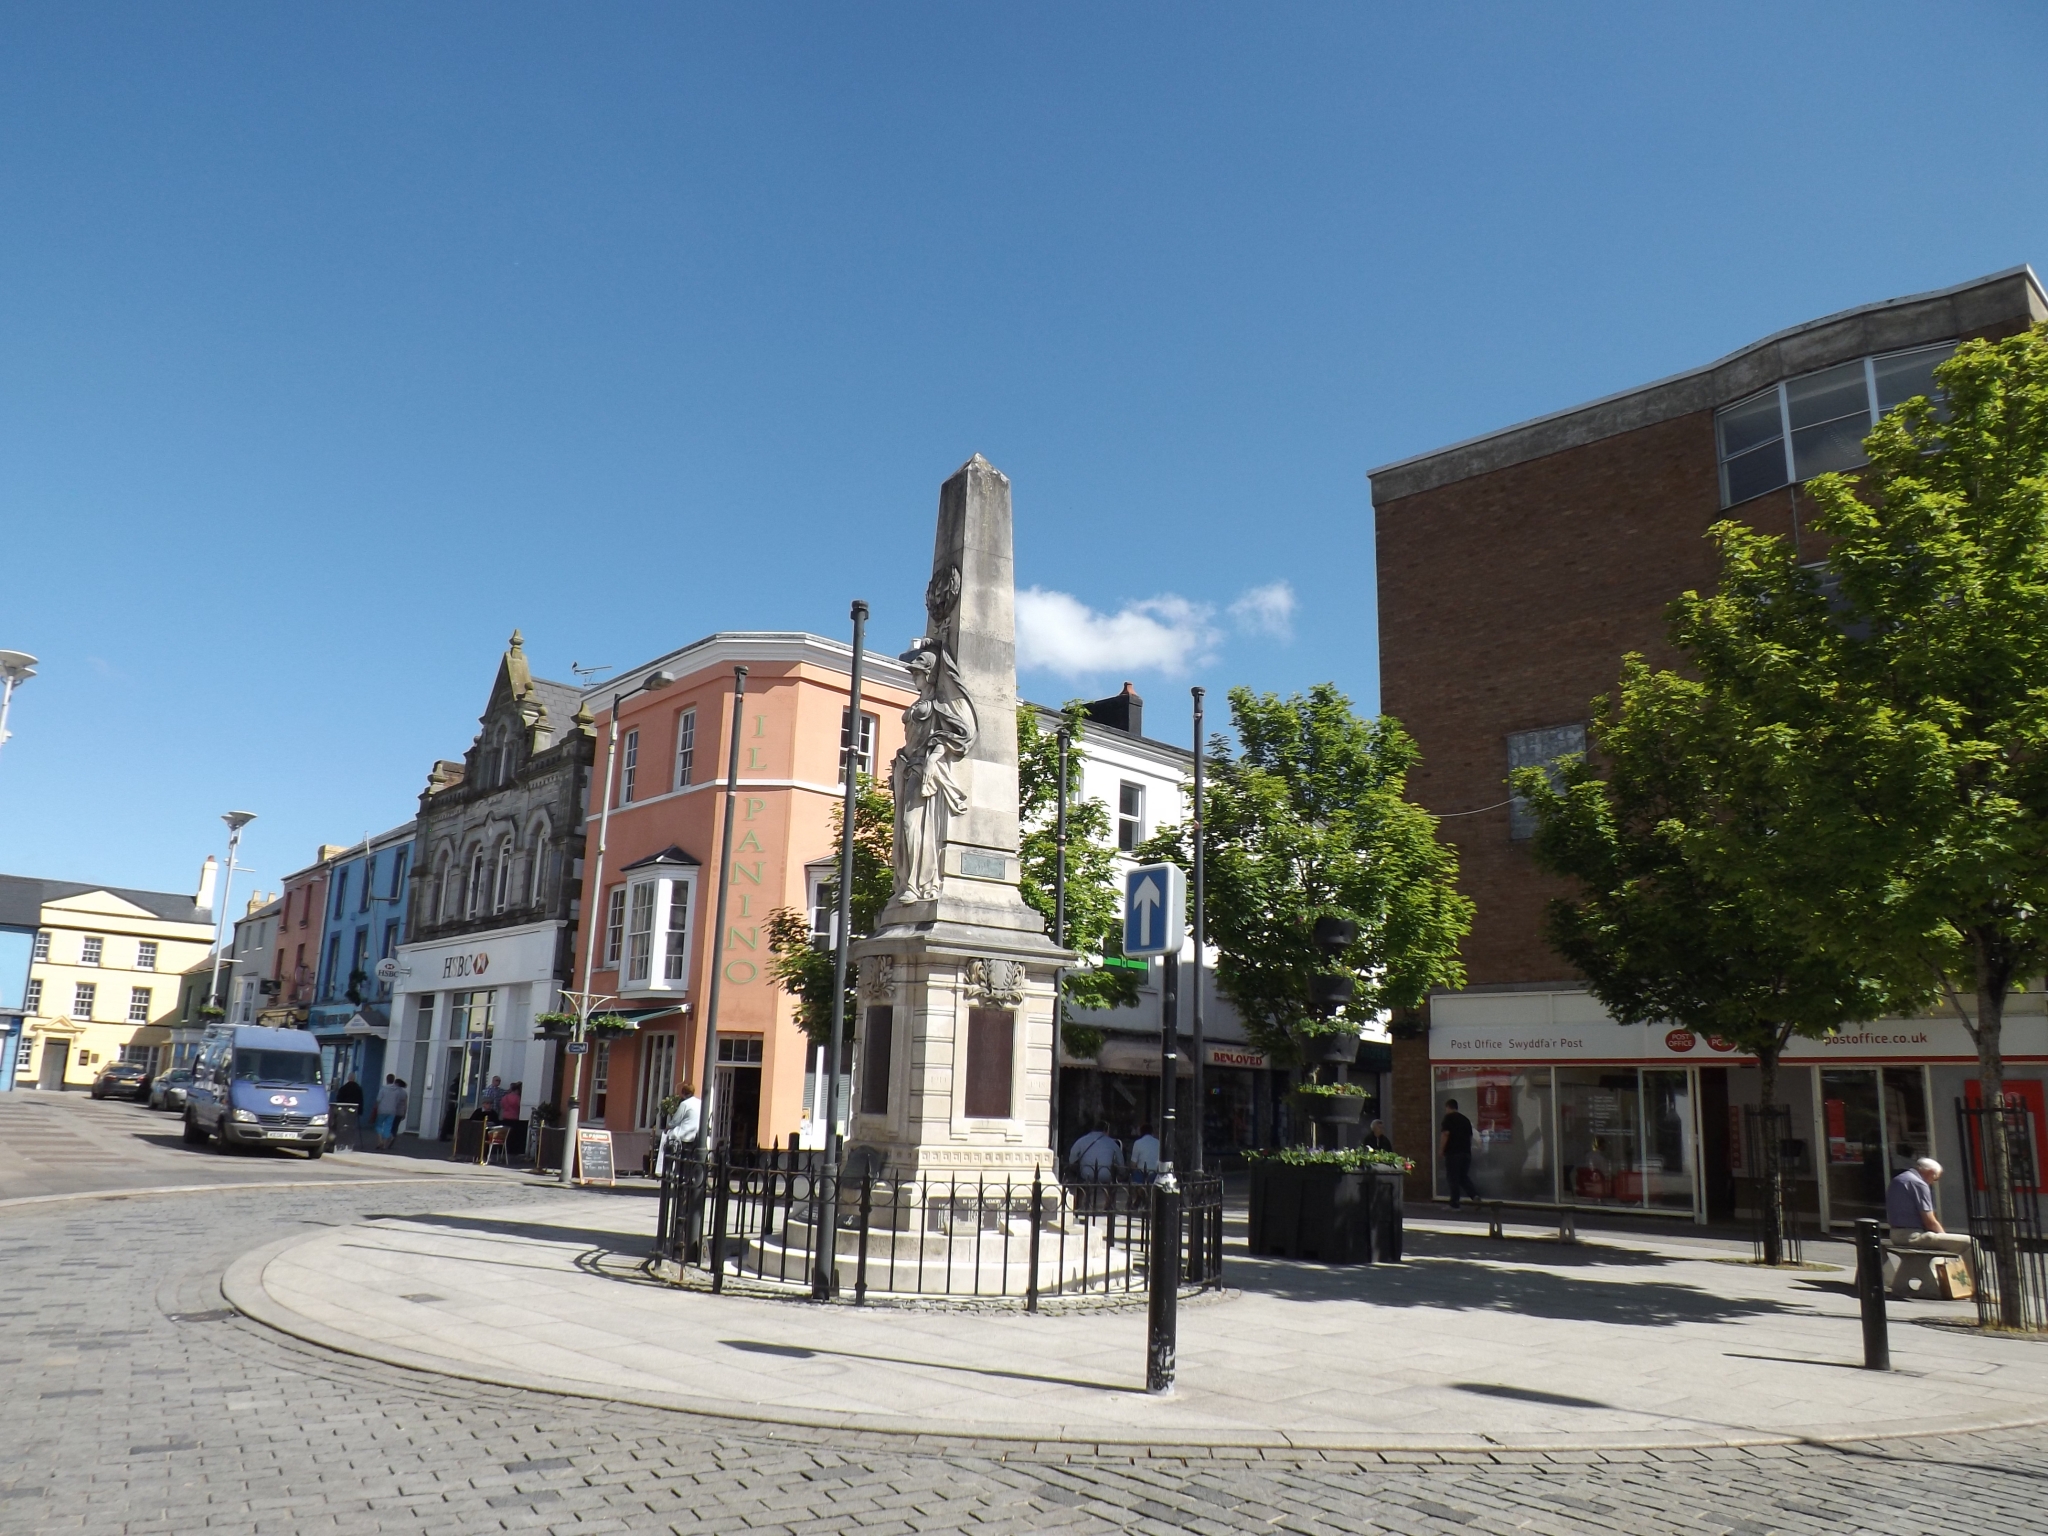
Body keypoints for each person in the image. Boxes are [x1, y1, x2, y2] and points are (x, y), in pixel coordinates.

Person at [1887, 1156, 1974, 1288]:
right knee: (1971, 1244)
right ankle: (1978, 1289)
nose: (1933, 1182)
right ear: (1931, 1173)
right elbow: (1930, 1221)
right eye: (1936, 1178)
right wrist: (1945, 1236)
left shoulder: (1899, 1179)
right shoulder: (1919, 1183)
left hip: (1895, 1234)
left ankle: (1938, 1282)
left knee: (1940, 1243)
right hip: (1913, 1236)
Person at [1440, 1098, 1480, 1209]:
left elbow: (1445, 1134)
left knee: (1453, 1178)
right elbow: (1470, 1136)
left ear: (1448, 1107)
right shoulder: (1465, 1120)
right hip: (1466, 1153)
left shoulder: (1448, 1118)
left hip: (1453, 1152)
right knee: (1463, 1177)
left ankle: (1454, 1204)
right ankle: (1475, 1196)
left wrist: (1441, 1150)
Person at [373, 1074, 404, 1150]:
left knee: (379, 1125)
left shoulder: (383, 1089)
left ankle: (380, 1141)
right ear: (393, 1080)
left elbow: (378, 1100)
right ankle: (384, 1144)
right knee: (388, 1126)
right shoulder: (397, 1091)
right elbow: (397, 1101)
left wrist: (375, 1107)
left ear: (387, 1080)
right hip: (392, 1111)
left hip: (382, 1110)